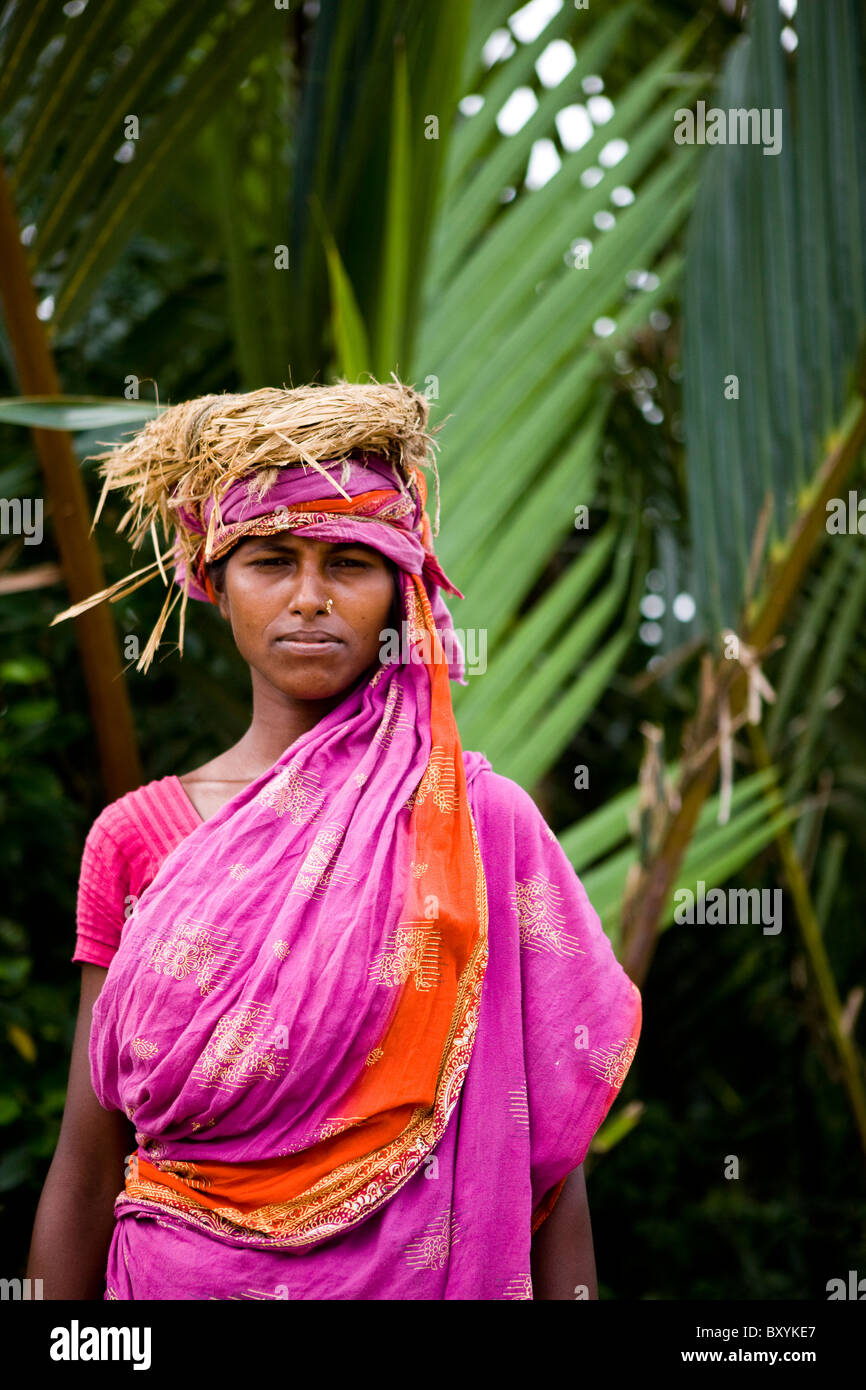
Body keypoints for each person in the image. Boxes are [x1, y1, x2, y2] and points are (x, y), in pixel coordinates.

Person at [26, 379, 641, 1300]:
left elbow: (543, 1159)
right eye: (271, 560)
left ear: (401, 588)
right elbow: (86, 1159)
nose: (309, 598)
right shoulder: (136, 838)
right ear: (212, 581)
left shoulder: (479, 823)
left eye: (348, 563)